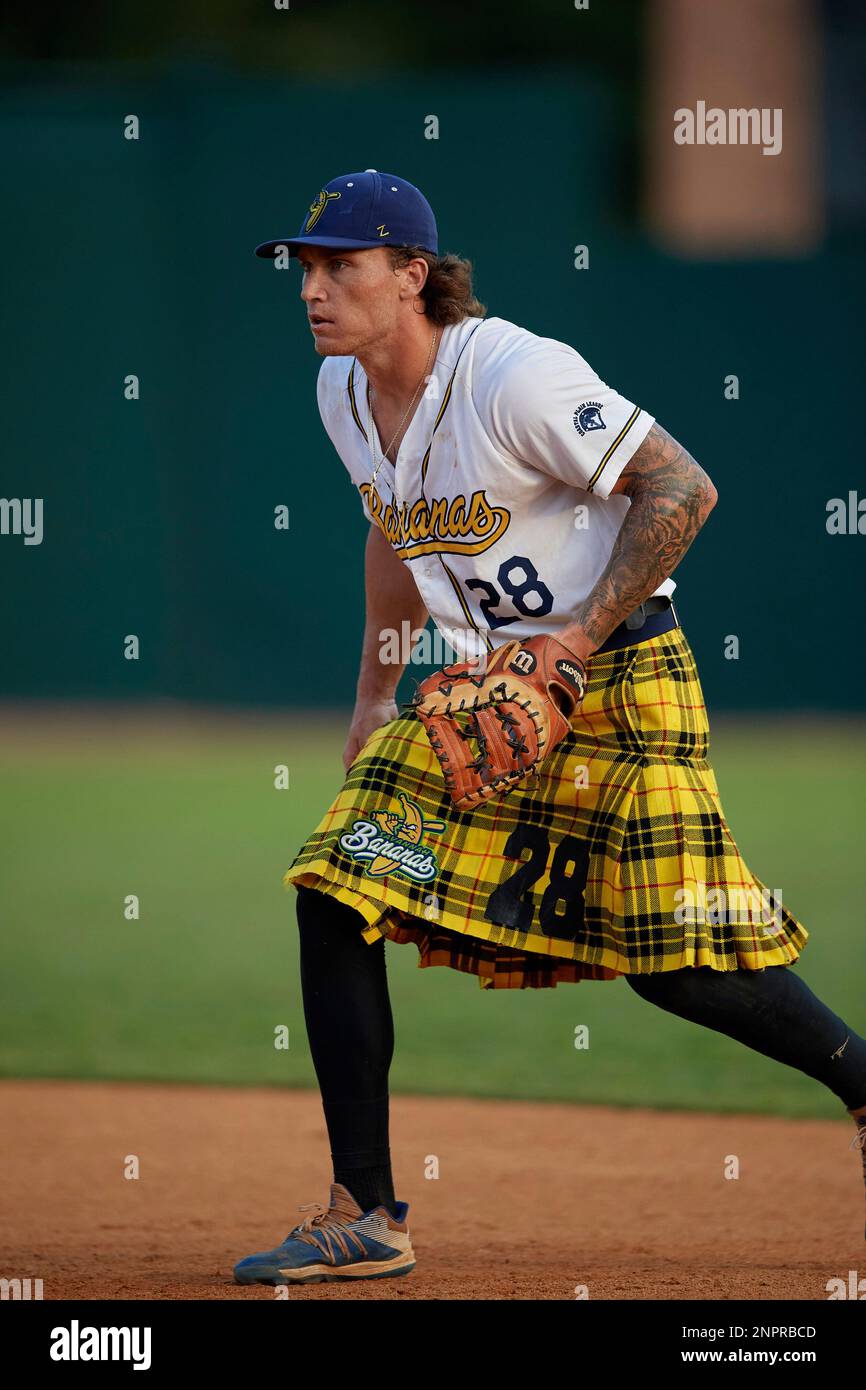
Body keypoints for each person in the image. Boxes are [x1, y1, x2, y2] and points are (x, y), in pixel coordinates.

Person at [233, 170, 866, 1286]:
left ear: (413, 276)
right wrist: (375, 691)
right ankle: (364, 1212)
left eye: (341, 265)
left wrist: (574, 637)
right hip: (489, 691)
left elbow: (681, 489)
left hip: (619, 677)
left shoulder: (513, 374)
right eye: (304, 267)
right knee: (336, 887)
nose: (313, 288)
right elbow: (392, 533)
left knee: (675, 965)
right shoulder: (342, 390)